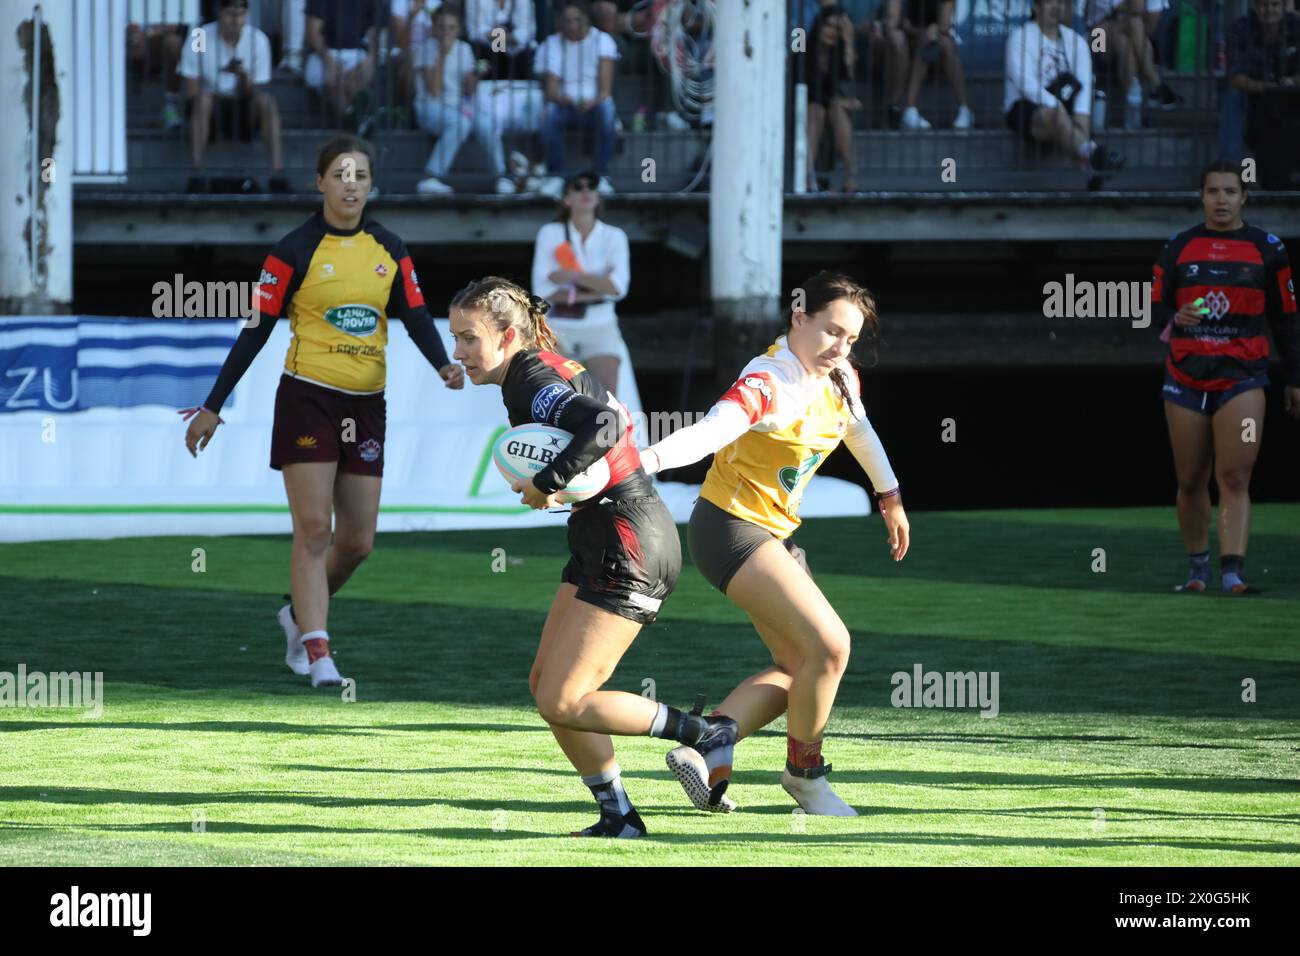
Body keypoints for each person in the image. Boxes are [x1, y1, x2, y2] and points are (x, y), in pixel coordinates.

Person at [448, 276, 733, 838]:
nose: (458, 353)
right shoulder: (536, 369)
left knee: (565, 697)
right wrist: (555, 484)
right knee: (546, 688)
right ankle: (618, 815)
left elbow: (605, 425)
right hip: (603, 535)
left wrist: (548, 479)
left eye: (468, 339)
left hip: (628, 540)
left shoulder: (531, 377)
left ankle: (703, 732)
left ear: (507, 335)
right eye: (454, 339)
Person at [182, 135, 465, 687]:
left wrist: (443, 365)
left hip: (367, 405)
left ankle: (297, 614)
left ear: (370, 184)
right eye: (340, 174)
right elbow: (255, 329)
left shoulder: (390, 247)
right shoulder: (292, 250)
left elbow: (415, 313)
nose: (351, 183)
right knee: (314, 531)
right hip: (307, 399)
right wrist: (213, 406)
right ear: (320, 183)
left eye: (360, 174)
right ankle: (318, 652)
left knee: (357, 543)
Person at [640, 271, 910, 816]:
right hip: (730, 529)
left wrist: (890, 496)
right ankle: (805, 776)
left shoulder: (839, 377)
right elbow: (710, 432)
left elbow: (859, 430)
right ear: (799, 317)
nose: (841, 347)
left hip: (770, 533)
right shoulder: (770, 379)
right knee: (831, 648)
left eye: (852, 339)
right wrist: (642, 462)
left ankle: (710, 740)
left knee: (800, 668)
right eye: (831, 331)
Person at [1154, 161, 1300, 595]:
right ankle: (1197, 572)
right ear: (1202, 197)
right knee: (1190, 479)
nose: (1221, 200)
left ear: (1244, 198)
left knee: (1235, 477)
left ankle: (1233, 573)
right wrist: (1174, 320)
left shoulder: (1269, 249)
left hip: (1243, 377)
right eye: (1213, 191)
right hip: (1185, 377)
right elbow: (1154, 313)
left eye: (1230, 192)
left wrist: (1295, 377)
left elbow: (1288, 320)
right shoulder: (1177, 248)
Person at [531, 170, 631, 396]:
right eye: (578, 187)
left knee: (607, 399)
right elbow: (542, 290)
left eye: (591, 186)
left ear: (597, 196)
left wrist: (573, 277)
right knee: (560, 395)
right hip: (558, 323)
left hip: (601, 323)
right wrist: (598, 285)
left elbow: (618, 289)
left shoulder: (615, 236)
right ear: (566, 199)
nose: (586, 191)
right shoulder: (549, 233)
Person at [1003, 0, 1125, 174]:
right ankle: (1094, 155)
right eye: (1050, 3)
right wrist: (1055, 105)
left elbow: (1085, 82)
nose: (1056, 7)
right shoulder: (1020, 37)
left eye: (1061, 3)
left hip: (1065, 106)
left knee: (1070, 124)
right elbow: (1024, 83)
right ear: (1036, 7)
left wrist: (1082, 118)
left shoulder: (1075, 41)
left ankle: (1091, 160)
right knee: (1054, 115)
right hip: (1026, 107)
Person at [179, 0, 289, 192]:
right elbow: (191, 86)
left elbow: (256, 91)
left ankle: (277, 174)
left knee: (267, 102)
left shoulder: (258, 39)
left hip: (242, 108)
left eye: (240, 14)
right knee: (203, 100)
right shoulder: (201, 36)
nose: (235, 20)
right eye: (230, 13)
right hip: (208, 107)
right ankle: (197, 172)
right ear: (219, 13)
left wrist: (242, 77)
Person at [413, 5, 512, 195]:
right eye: (442, 27)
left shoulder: (464, 49)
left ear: (459, 29)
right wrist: (442, 54)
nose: (446, 32)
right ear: (434, 27)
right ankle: (430, 177)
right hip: (430, 107)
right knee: (460, 124)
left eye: (451, 28)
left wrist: (475, 74)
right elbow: (434, 90)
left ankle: (500, 177)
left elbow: (468, 91)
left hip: (460, 106)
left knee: (486, 124)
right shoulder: (425, 49)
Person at [535, 0, 620, 191]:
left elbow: (605, 90)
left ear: (587, 20)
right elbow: (551, 90)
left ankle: (600, 176)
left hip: (595, 105)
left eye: (577, 20)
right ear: (560, 23)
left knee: (608, 110)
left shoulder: (603, 40)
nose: (572, 25)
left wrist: (592, 102)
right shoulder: (552, 43)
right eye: (567, 20)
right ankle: (555, 176)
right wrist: (562, 99)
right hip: (565, 106)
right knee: (547, 113)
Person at [1220, 0, 1300, 161]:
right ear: (1254, 7)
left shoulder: (1296, 26)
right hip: (1252, 94)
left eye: (1275, 4)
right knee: (1233, 97)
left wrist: (1293, 81)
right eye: (1263, 5)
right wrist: (1269, 88)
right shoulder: (1240, 29)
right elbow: (1236, 79)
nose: (1269, 10)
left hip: (1291, 92)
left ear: (1284, 7)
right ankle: (1230, 169)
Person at [1085, 0, 1181, 132]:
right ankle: (1155, 83)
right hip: (1096, 38)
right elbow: (1135, 8)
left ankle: (1135, 100)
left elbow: (1150, 25)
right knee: (1134, 23)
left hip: (1129, 37)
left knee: (1128, 46)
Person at [804, 5, 861, 192]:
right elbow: (803, 88)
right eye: (828, 26)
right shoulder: (803, 48)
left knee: (835, 108)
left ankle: (851, 178)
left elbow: (849, 81)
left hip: (830, 109)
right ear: (819, 26)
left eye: (837, 29)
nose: (831, 32)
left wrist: (849, 41)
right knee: (817, 110)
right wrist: (837, 101)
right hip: (805, 106)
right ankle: (806, 178)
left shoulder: (838, 54)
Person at [304, 0, 382, 127]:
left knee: (357, 78)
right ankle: (355, 125)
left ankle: (352, 124)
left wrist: (371, 58)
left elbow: (373, 34)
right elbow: (313, 33)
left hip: (357, 53)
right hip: (323, 54)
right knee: (334, 81)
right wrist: (329, 61)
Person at [898, 0, 973, 130]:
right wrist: (923, 32)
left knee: (948, 45)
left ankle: (964, 110)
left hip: (938, 40)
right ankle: (910, 110)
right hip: (912, 40)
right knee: (925, 43)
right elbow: (905, 25)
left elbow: (944, 25)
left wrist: (934, 31)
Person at [127, 0, 200, 130]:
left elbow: (179, 25)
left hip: (182, 43)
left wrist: (153, 32)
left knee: (177, 43)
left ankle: (174, 107)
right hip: (143, 49)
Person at [466, 0, 538, 79]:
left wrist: (497, 35)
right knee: (481, 60)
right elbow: (474, 31)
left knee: (527, 57)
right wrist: (506, 36)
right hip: (486, 50)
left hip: (517, 52)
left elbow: (527, 32)